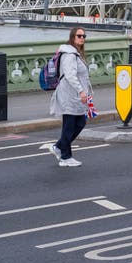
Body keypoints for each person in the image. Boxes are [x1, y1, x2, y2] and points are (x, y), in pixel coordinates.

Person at [46, 27, 93, 167]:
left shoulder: (76, 54)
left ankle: (59, 147)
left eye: (84, 36)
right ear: (72, 37)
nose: (82, 38)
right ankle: (65, 157)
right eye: (79, 36)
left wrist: (85, 92)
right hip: (69, 96)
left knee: (79, 123)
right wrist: (81, 91)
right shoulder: (69, 55)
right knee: (69, 126)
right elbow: (70, 75)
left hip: (76, 97)